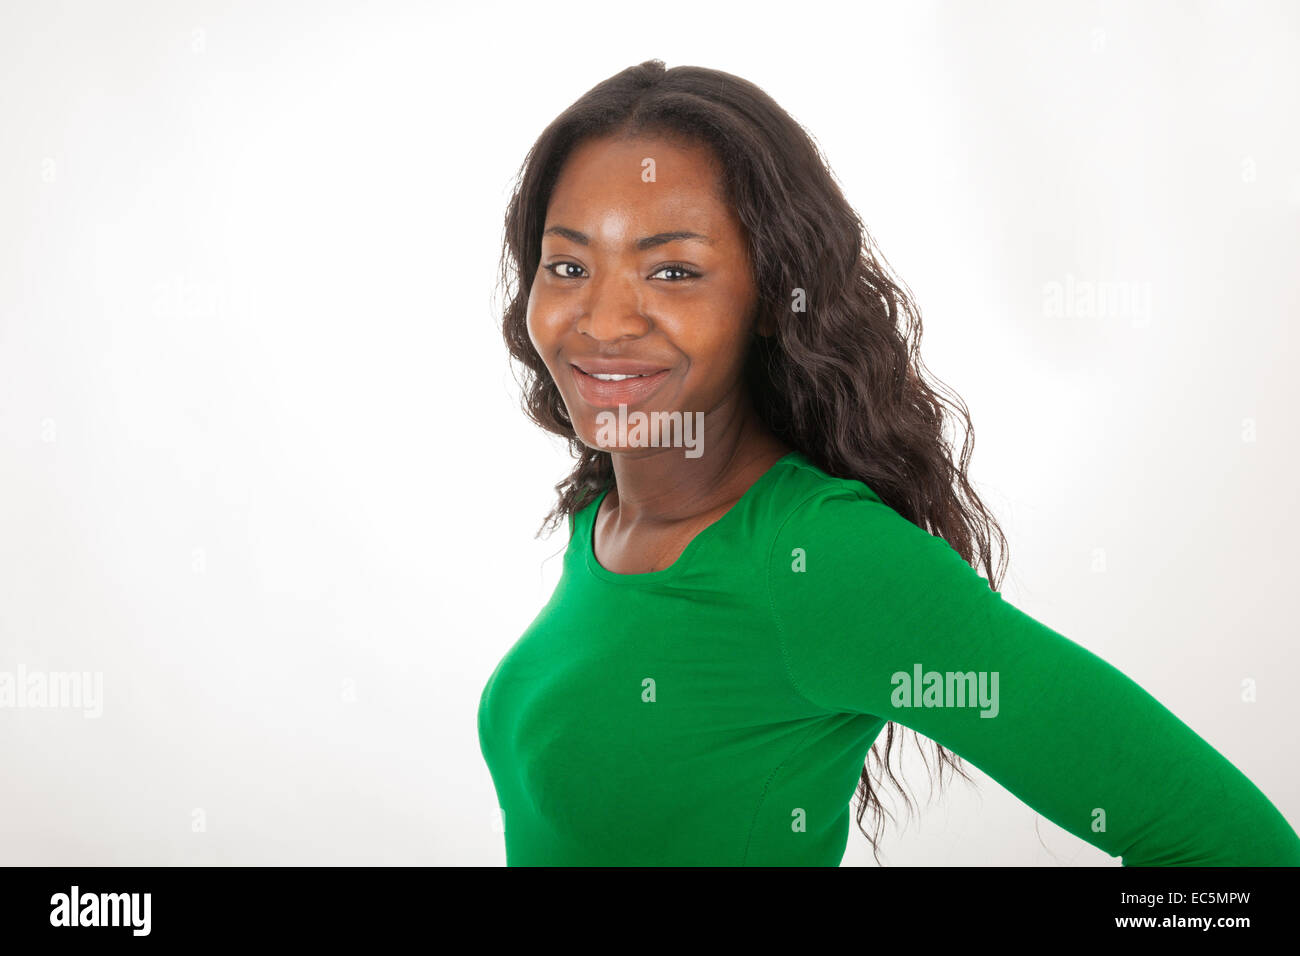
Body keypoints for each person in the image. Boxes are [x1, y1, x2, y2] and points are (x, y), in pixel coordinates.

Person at [477, 59, 1300, 866]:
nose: (604, 321)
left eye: (675, 271)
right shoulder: (606, 516)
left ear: (771, 297)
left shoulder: (821, 560)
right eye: (570, 266)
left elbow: (1235, 850)